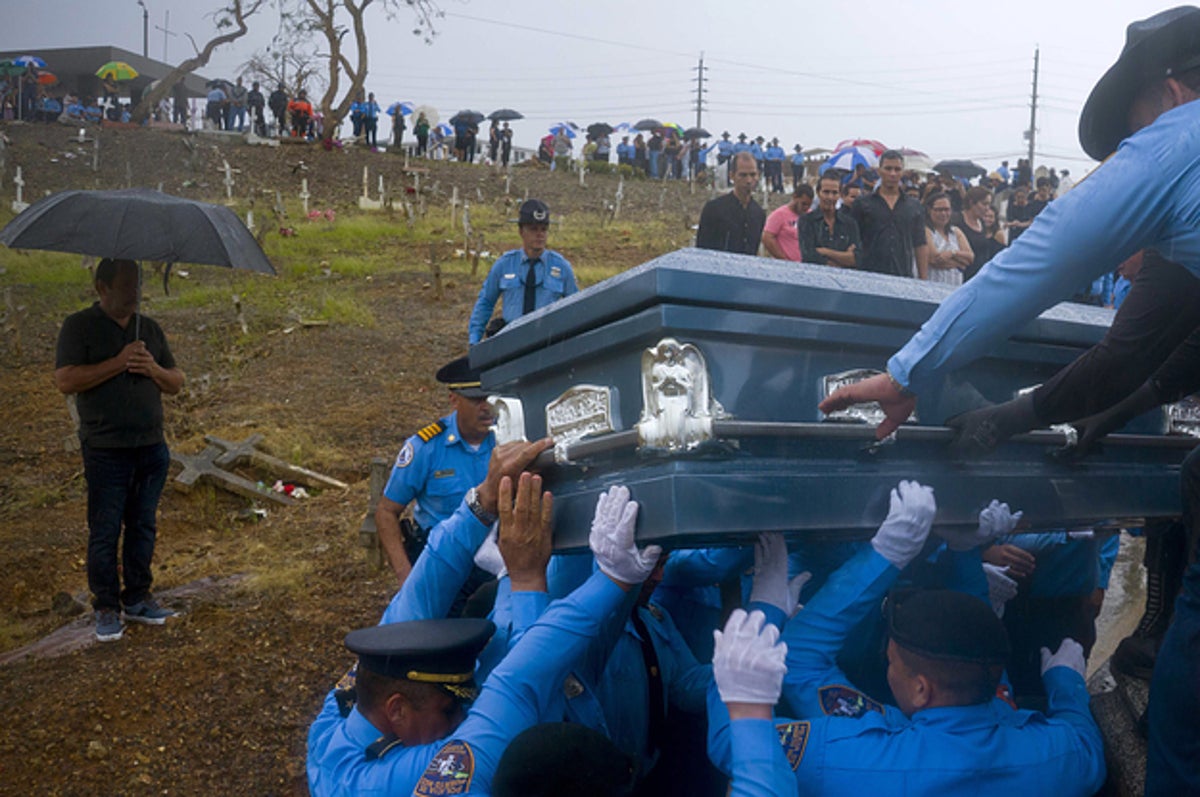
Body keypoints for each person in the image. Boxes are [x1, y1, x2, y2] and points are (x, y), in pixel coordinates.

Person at [817, 9, 1200, 792]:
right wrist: (1110, 413)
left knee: (1189, 681)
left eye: (1133, 130)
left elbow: (1048, 254)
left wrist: (916, 371)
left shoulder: (1183, 137)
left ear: (1166, 95)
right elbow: (1158, 348)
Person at [707, 481, 1106, 796]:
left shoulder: (849, 758)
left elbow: (736, 737)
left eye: (892, 659)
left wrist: (885, 555)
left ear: (920, 689)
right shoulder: (1057, 757)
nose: (887, 662)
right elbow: (1086, 743)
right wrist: (1065, 682)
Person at [307, 474, 663, 797]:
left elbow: (407, 615)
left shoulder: (333, 728)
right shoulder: (424, 779)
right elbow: (518, 686)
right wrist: (612, 578)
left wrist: (479, 505)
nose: (462, 717)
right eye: (449, 709)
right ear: (397, 710)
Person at [54, 259, 185, 642]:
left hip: (150, 446)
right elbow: (65, 380)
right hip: (106, 448)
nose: (135, 293)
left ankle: (138, 598)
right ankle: (107, 606)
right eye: (126, 285)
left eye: (138, 285)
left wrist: (152, 369)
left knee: (143, 525)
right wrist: (118, 362)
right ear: (102, 288)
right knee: (106, 528)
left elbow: (176, 381)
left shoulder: (150, 329)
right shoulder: (79, 327)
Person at [375, 356, 496, 586]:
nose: (486, 408)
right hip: (441, 563)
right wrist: (405, 576)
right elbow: (386, 511)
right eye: (477, 400)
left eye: (490, 398)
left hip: (495, 561)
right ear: (454, 400)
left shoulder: (506, 439)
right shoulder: (426, 448)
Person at [468, 199, 578, 345]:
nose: (540, 235)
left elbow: (576, 307)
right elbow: (486, 302)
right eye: (533, 229)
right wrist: (474, 340)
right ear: (521, 231)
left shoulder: (561, 267)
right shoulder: (504, 264)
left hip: (546, 345)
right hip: (511, 343)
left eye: (543, 229)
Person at [850, 149, 928, 278]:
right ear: (879, 171)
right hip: (868, 276)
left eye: (897, 169)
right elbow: (853, 242)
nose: (893, 174)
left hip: (903, 276)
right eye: (888, 168)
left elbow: (920, 244)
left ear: (902, 172)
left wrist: (923, 279)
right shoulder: (862, 204)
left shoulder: (914, 206)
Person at [696, 152, 766, 255]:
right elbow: (701, 250)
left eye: (753, 174)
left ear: (758, 175)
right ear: (732, 176)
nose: (748, 180)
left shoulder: (758, 213)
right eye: (743, 175)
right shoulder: (714, 209)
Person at [799, 173, 861, 268]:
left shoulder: (850, 223)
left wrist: (825, 251)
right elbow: (809, 256)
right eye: (826, 192)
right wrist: (843, 258)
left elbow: (855, 260)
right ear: (818, 192)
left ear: (840, 194)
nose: (830, 197)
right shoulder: (807, 221)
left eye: (834, 193)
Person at [923, 191, 973, 286]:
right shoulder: (926, 230)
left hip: (954, 287)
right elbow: (934, 259)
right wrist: (959, 264)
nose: (943, 213)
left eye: (947, 209)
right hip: (933, 284)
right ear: (929, 210)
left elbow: (970, 257)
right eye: (939, 210)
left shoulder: (956, 231)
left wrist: (951, 253)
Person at [761, 183, 813, 261]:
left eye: (809, 205)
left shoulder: (810, 215)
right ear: (795, 197)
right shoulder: (779, 215)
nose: (806, 208)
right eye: (803, 204)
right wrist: (783, 258)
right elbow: (767, 238)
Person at [955, 186, 994, 281]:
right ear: (972, 203)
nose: (987, 208)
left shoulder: (981, 223)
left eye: (989, 204)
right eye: (984, 204)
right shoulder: (956, 220)